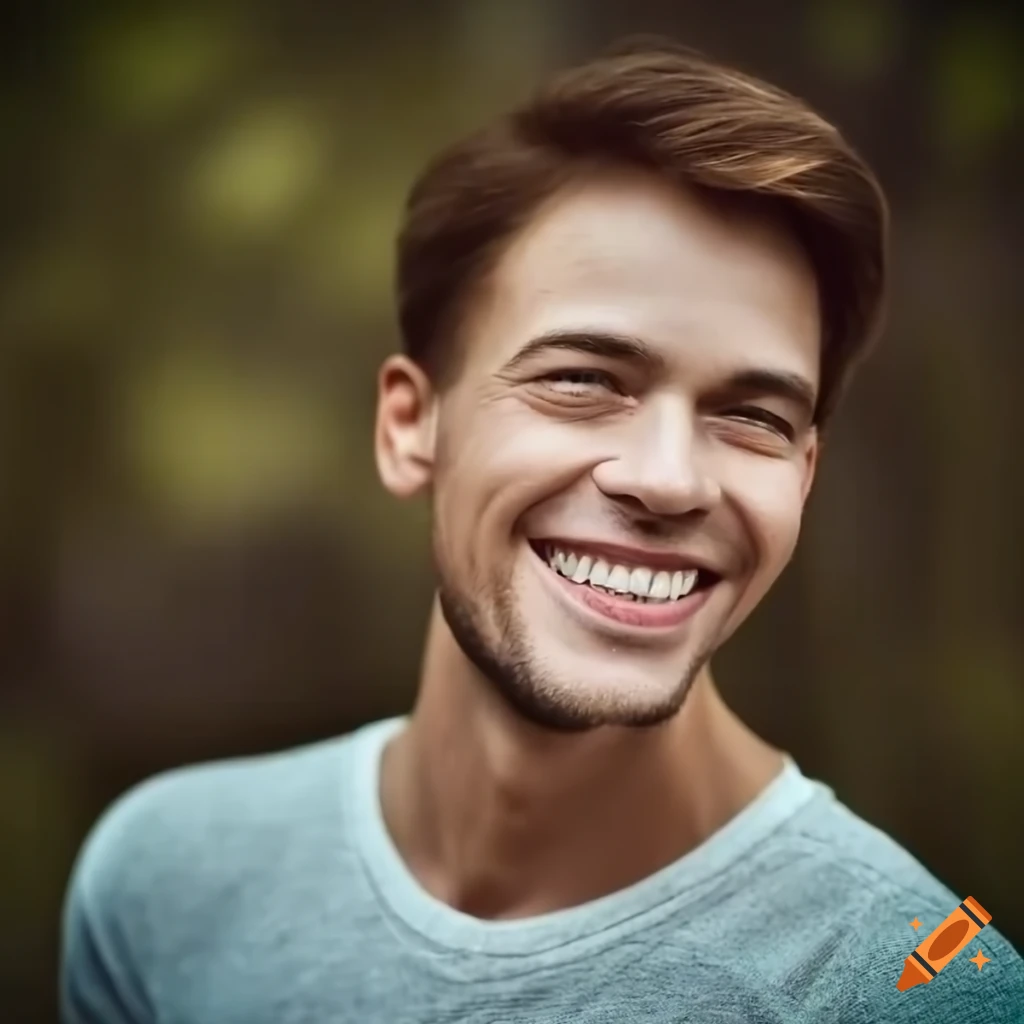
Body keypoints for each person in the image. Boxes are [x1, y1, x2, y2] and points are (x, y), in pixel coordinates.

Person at [60, 37, 1023, 1024]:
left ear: (802, 477)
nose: (668, 479)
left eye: (753, 416)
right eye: (584, 379)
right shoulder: (163, 888)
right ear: (409, 425)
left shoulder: (914, 987)